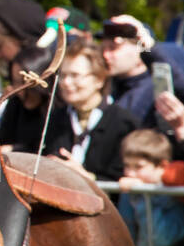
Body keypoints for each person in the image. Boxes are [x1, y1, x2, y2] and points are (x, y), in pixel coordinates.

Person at [43, 40, 137, 182]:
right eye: (63, 75)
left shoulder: (122, 123)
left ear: (99, 79)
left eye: (75, 75)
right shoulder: (55, 118)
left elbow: (123, 178)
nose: (66, 82)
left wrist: (86, 177)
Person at [117, 130, 184, 246]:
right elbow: (125, 232)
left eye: (139, 167)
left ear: (162, 166)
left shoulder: (175, 196)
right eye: (127, 166)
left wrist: (141, 199)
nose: (130, 174)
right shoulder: (131, 193)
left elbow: (161, 238)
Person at [99, 15, 157, 129]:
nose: (105, 55)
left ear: (139, 48)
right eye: (103, 48)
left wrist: (146, 44)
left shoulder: (155, 88)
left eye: (113, 48)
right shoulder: (107, 84)